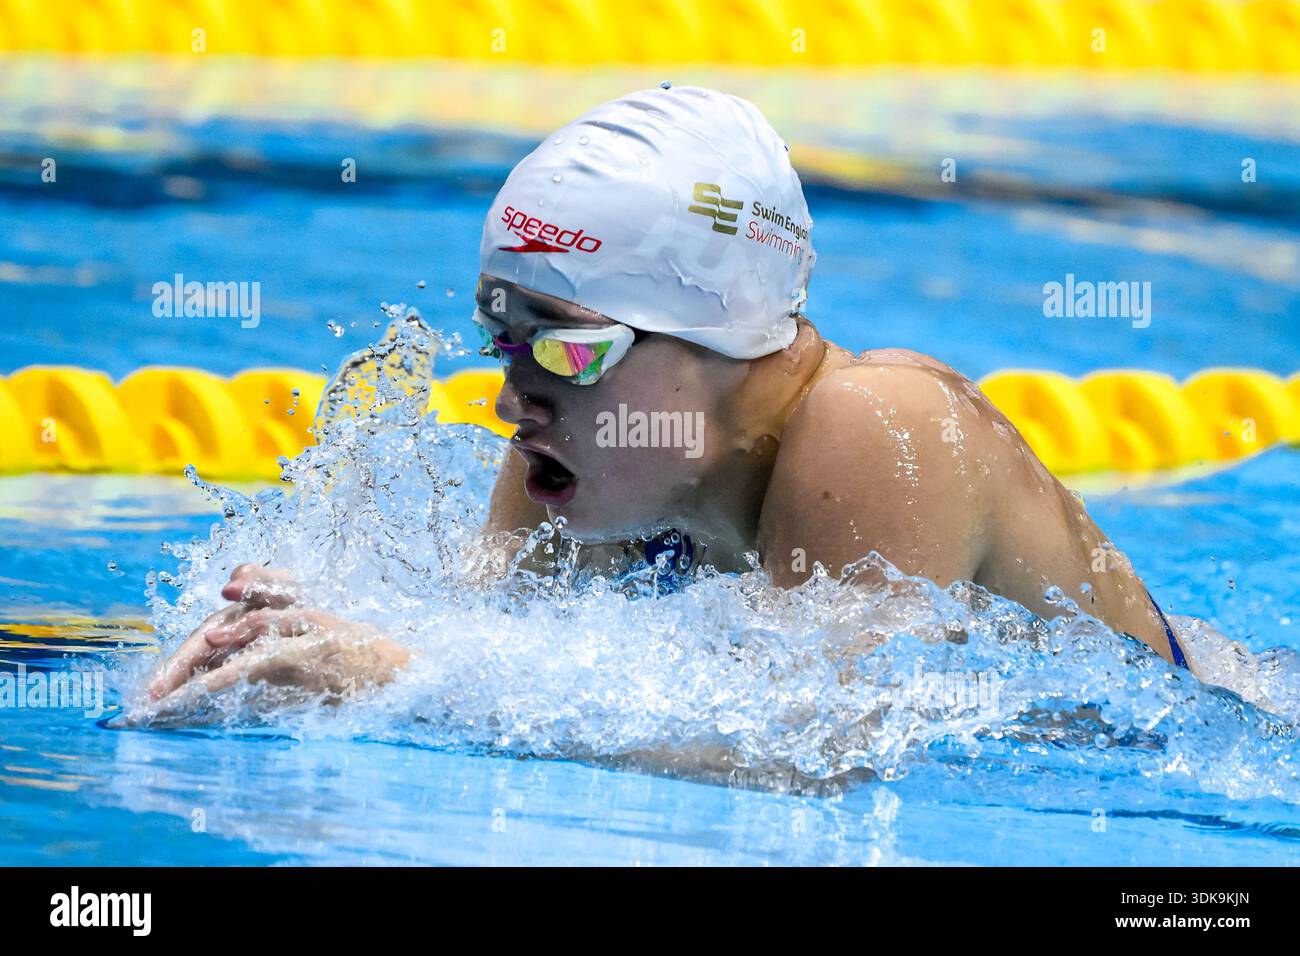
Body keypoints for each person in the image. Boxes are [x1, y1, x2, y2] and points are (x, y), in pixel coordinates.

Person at [146, 85, 1194, 714]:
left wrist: (397, 672)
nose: (513, 401)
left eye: (560, 347)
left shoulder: (877, 422)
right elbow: (478, 637)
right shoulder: (577, 445)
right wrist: (308, 642)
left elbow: (815, 749)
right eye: (503, 342)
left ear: (721, 336)